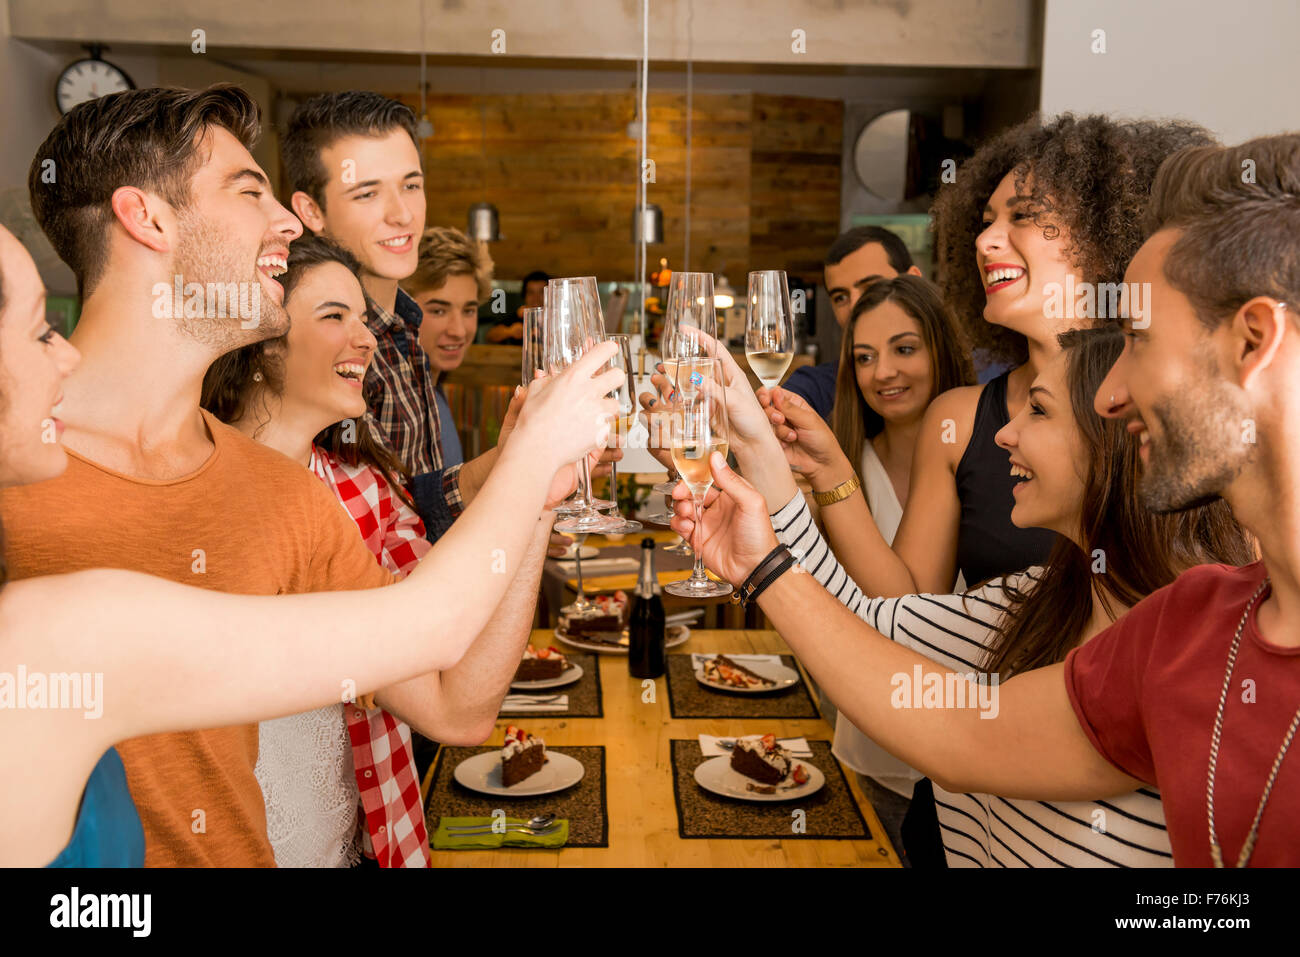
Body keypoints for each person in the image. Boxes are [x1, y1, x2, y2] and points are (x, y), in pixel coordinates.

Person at [1, 83, 616, 868]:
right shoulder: (16, 477)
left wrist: (542, 495)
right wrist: (527, 459)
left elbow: (455, 703)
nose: (288, 223)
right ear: (146, 218)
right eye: (248, 188)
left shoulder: (282, 487)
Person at [671, 133, 1300, 866]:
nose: (1112, 394)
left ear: (1254, 342)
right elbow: (961, 728)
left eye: (1136, 337)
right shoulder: (1180, 627)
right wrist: (765, 561)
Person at [765, 115, 1217, 597]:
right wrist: (833, 472)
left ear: (1102, 231)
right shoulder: (959, 421)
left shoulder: (1168, 412)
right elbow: (907, 607)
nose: (984, 241)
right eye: (984, 223)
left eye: (1022, 215)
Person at [202, 236, 436, 866]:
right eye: (335, 316)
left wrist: (535, 487)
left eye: (363, 318)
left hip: (356, 846)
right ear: (260, 341)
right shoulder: (188, 483)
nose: (365, 338)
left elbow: (439, 637)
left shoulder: (364, 485)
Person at [284, 92, 494, 541]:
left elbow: (420, 519)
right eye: (367, 193)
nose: (402, 215)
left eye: (411, 185)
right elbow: (382, 519)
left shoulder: (404, 323)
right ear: (311, 212)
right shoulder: (320, 345)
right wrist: (519, 467)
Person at [823, 274, 972, 861]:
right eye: (865, 357)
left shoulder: (997, 454)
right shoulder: (839, 469)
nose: (883, 372)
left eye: (904, 349)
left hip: (974, 757)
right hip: (875, 751)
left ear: (942, 348)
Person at [782, 227, 921, 420]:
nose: (856, 307)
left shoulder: (971, 379)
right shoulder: (816, 388)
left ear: (913, 282)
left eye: (872, 287)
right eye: (841, 297)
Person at [405, 226, 493, 467]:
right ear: (401, 308)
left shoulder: (434, 389)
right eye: (439, 310)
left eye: (469, 310)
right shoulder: (398, 403)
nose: (459, 330)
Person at [486, 268, 548, 345]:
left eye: (541, 292)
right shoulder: (518, 317)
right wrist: (509, 332)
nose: (536, 298)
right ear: (524, 295)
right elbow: (490, 336)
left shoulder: (557, 319)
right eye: (531, 292)